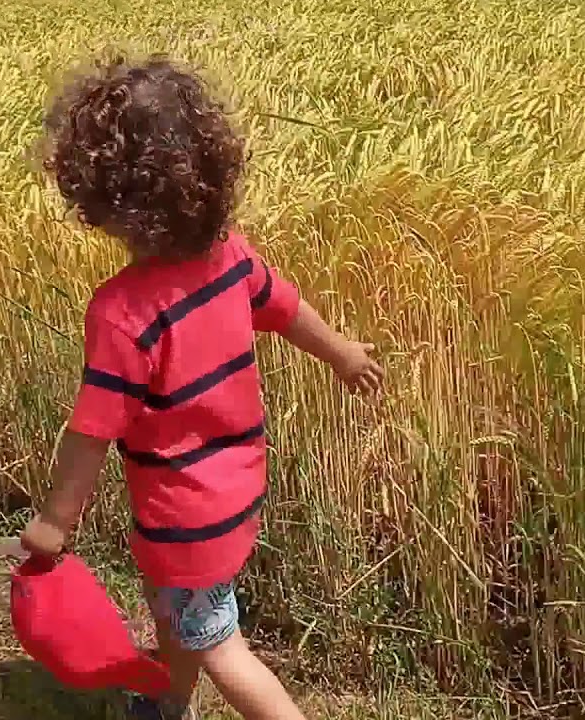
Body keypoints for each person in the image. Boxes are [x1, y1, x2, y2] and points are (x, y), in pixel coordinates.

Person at [19, 56, 384, 720]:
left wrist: (53, 521)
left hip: (184, 517)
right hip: (236, 492)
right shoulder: (233, 258)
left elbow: (91, 433)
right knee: (184, 610)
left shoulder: (123, 314)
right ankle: (166, 702)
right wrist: (342, 354)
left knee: (223, 648)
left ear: (99, 199)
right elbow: (288, 308)